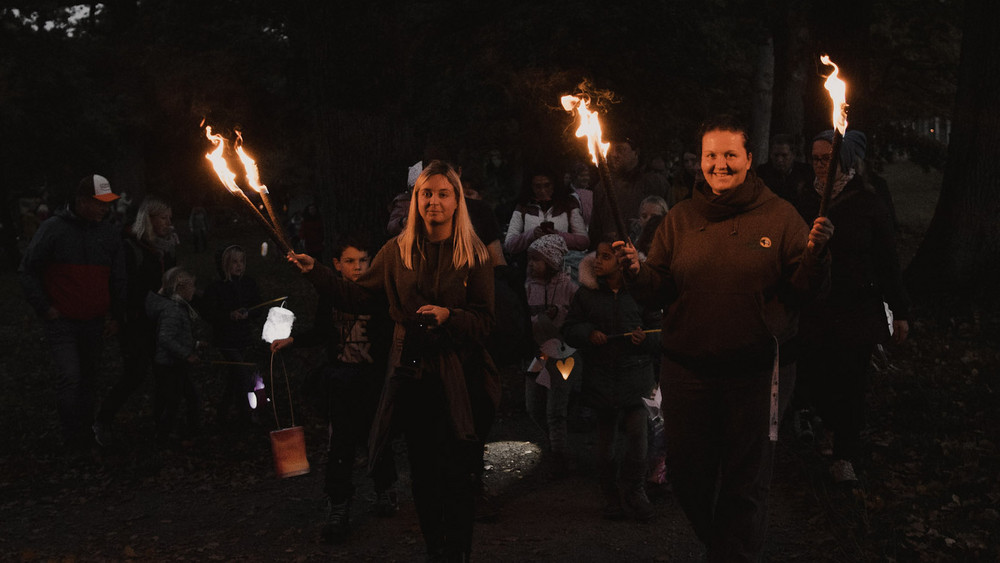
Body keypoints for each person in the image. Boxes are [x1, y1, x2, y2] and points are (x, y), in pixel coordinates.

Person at [615, 115, 834, 561]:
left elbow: (801, 290)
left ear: (749, 159)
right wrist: (638, 273)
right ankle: (726, 548)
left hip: (754, 373)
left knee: (745, 482)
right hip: (687, 371)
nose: (720, 164)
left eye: (730, 155)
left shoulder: (781, 216)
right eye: (711, 155)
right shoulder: (680, 219)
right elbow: (659, 288)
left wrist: (816, 256)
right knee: (687, 475)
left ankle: (732, 555)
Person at [287, 160, 498, 561]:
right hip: (413, 375)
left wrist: (450, 316)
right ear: (416, 199)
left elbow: (487, 321)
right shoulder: (396, 251)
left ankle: (458, 556)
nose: (433, 201)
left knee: (457, 474)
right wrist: (316, 272)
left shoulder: (474, 254)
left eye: (443, 194)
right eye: (426, 194)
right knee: (423, 474)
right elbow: (357, 297)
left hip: (460, 377)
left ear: (456, 201)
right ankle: (436, 552)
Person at [795, 130, 910, 485]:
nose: (819, 165)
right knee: (817, 376)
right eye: (815, 158)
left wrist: (900, 312)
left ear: (844, 160)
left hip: (856, 307)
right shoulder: (801, 200)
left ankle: (845, 453)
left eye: (827, 158)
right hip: (814, 309)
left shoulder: (868, 202)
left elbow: (887, 261)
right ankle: (825, 424)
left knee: (851, 379)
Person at [271, 234, 399, 543]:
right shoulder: (331, 297)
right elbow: (321, 332)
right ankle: (339, 504)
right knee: (340, 443)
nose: (358, 267)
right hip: (342, 380)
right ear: (337, 265)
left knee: (376, 437)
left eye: (364, 260)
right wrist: (293, 340)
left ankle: (386, 490)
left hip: (373, 379)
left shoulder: (380, 295)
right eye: (351, 261)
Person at [19, 174, 125, 453]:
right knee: (71, 376)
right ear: (81, 202)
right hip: (63, 321)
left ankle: (83, 436)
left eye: (107, 203)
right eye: (99, 203)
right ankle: (72, 438)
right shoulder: (54, 229)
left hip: (94, 321)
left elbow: (117, 278)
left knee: (88, 378)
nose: (105, 208)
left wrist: (115, 314)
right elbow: (28, 270)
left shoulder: (108, 234)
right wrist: (45, 308)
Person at [563, 236, 661, 521]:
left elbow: (661, 331)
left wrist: (646, 339)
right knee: (605, 448)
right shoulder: (586, 295)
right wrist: (587, 334)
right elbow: (570, 329)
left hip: (636, 377)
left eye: (606, 256)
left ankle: (635, 490)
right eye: (598, 255)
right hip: (601, 378)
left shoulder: (642, 293)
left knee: (637, 440)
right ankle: (610, 495)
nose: (598, 261)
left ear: (621, 262)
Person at [94, 197, 178, 446]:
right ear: (149, 219)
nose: (168, 223)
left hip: (160, 321)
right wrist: (119, 317)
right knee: (136, 372)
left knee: (163, 371)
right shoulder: (131, 248)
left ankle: (160, 427)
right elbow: (121, 286)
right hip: (136, 322)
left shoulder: (166, 248)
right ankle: (102, 420)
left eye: (169, 218)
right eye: (163, 218)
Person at [523, 234, 579, 477]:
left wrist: (562, 315)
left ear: (552, 260)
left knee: (555, 408)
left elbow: (578, 319)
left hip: (564, 355)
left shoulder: (569, 287)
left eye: (537, 259)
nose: (531, 264)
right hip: (540, 355)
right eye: (530, 259)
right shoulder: (529, 286)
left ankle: (560, 457)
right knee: (533, 404)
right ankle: (556, 447)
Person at [201, 245, 262, 428]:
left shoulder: (248, 284)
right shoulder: (217, 288)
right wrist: (228, 315)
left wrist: (248, 313)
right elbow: (209, 313)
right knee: (242, 375)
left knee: (234, 377)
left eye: (242, 261)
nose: (239, 266)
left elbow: (258, 306)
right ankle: (247, 415)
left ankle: (223, 413)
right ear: (225, 264)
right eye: (234, 262)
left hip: (243, 337)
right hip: (226, 340)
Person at [146, 266, 202, 444]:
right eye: (191, 286)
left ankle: (189, 430)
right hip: (170, 365)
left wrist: (195, 344)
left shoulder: (178, 307)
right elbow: (166, 338)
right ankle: (163, 435)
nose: (194, 290)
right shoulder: (173, 310)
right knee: (173, 400)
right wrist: (186, 354)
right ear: (180, 287)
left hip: (175, 364)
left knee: (183, 397)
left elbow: (177, 335)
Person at [589, 137, 669, 247]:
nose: (614, 155)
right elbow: (595, 228)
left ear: (636, 152)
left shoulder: (655, 183)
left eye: (620, 150)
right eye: (611, 150)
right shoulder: (602, 187)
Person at [502, 168, 589, 259]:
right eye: (538, 187)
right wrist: (531, 235)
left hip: (562, 265)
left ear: (554, 185)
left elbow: (583, 242)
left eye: (547, 185)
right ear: (531, 187)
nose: (543, 191)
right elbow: (509, 244)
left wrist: (557, 236)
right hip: (531, 265)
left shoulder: (568, 205)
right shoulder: (523, 207)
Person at [755, 133, 814, 204]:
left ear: (793, 155)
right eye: (776, 155)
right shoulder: (762, 172)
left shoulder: (805, 172)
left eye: (784, 155)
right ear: (771, 155)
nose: (780, 160)